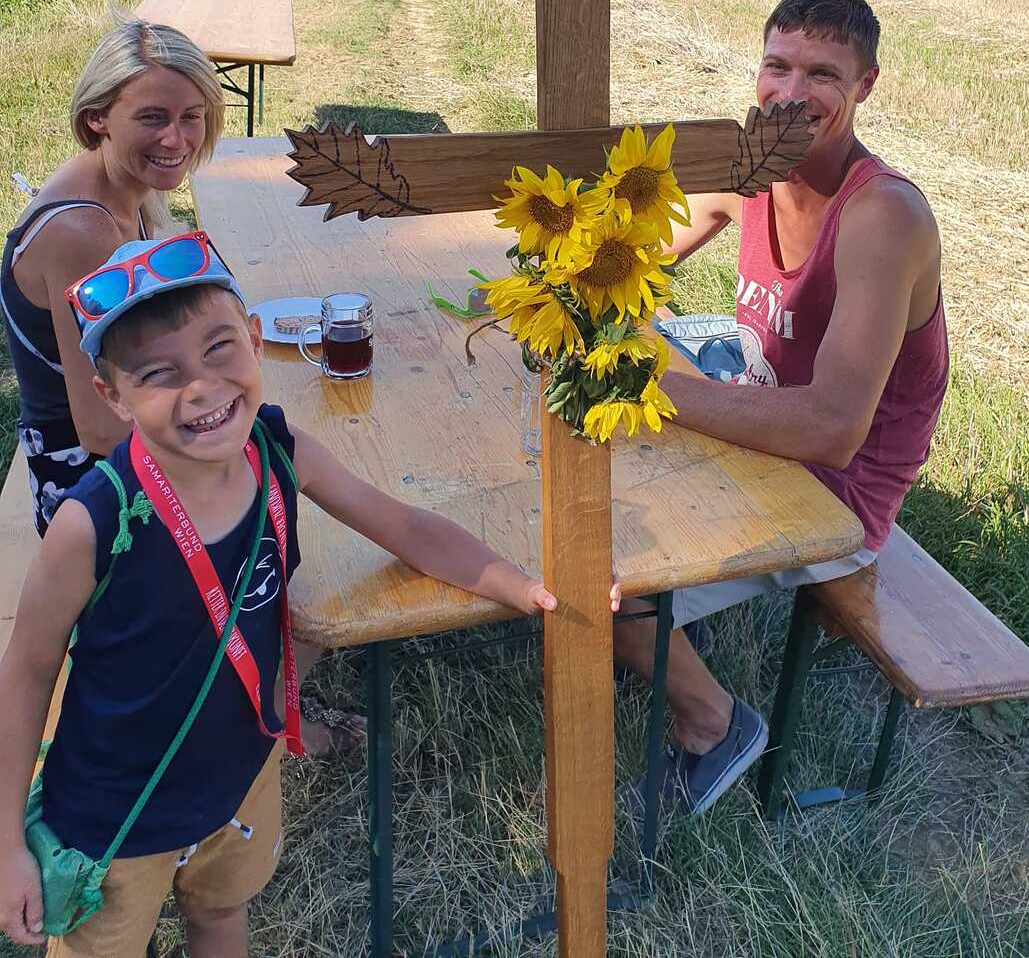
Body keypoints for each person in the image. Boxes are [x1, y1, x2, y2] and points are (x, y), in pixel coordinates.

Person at [0, 231, 602, 956]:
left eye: (219, 348)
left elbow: (406, 527)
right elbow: (26, 673)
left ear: (255, 342)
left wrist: (528, 587)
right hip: (115, 812)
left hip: (241, 771)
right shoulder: (94, 523)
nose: (201, 387)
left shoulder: (279, 451)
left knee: (222, 915)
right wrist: (6, 845)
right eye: (158, 373)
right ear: (113, 397)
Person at [614, 0, 949, 814]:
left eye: (822, 74)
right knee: (574, 487)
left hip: (836, 496)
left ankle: (714, 724)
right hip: (762, 442)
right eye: (777, 67)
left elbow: (832, 429)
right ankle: (671, 629)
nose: (791, 93)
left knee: (596, 577)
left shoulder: (882, 216)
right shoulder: (750, 174)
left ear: (865, 85)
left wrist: (645, 387)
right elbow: (634, 256)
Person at [1, 19, 224, 535]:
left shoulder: (126, 186)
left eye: (192, 116)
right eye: (152, 117)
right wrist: (230, 447)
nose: (176, 138)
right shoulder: (83, 232)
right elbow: (101, 429)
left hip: (134, 441)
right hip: (92, 491)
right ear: (97, 117)